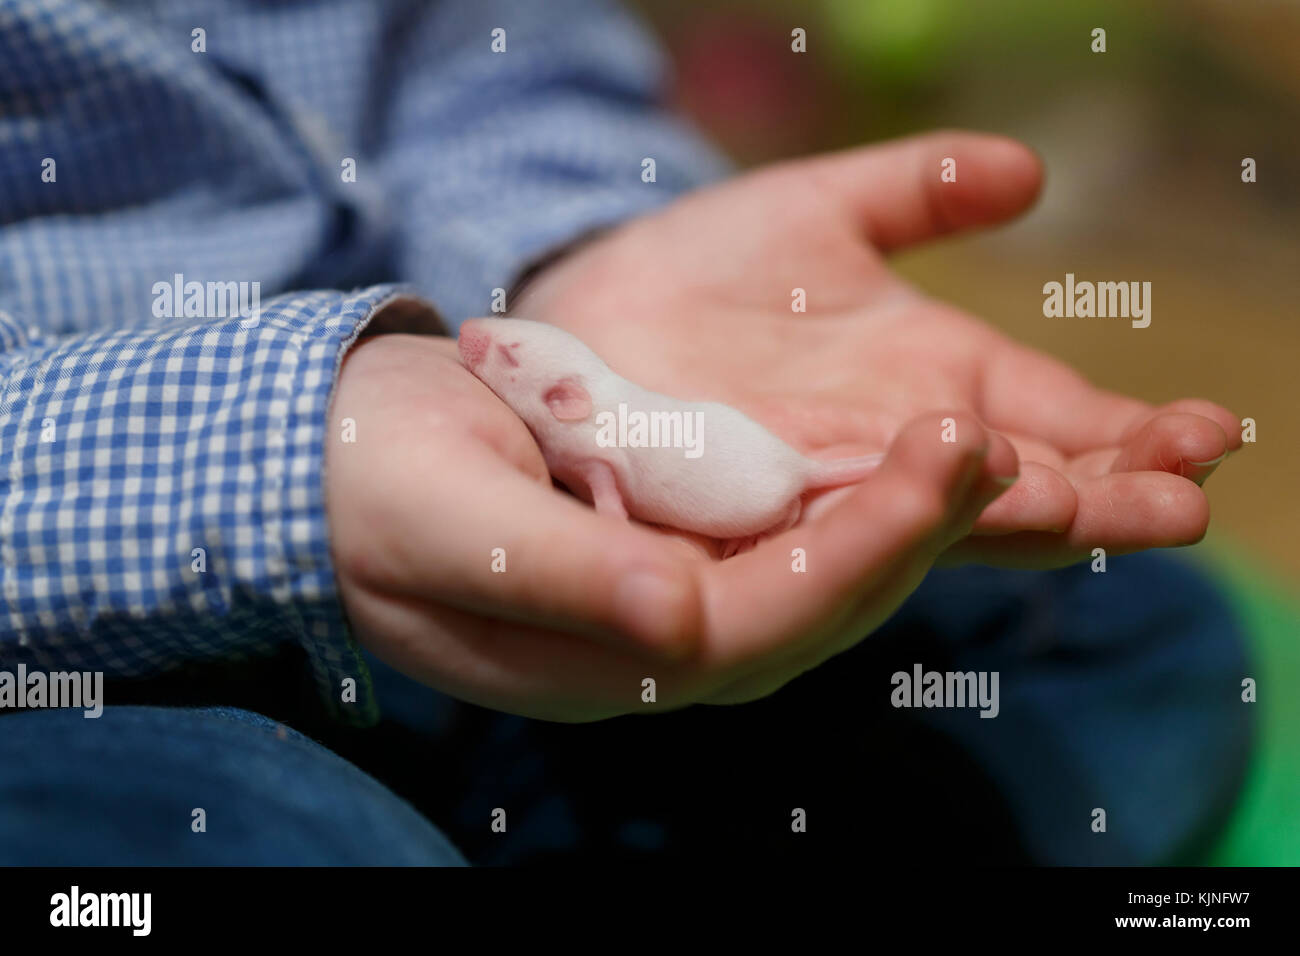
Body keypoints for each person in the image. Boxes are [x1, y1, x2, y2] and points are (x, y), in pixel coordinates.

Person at [0, 0, 1250, 865]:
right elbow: (603, 477)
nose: (487, 345)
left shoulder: (573, 410)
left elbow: (500, 72)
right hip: (71, 678)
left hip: (476, 544)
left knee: (1129, 625)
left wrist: (577, 243)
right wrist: (296, 448)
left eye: (518, 358)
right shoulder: (576, 424)